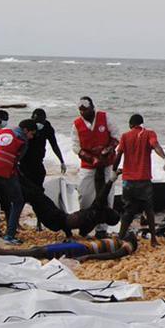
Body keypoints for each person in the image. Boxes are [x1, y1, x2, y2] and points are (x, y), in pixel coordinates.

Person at [0, 119, 37, 244]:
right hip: (1, 168)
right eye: (32, 133)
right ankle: (10, 235)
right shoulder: (23, 140)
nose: (31, 137)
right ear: (25, 130)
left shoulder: (2, 131)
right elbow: (16, 160)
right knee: (18, 201)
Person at [113, 113, 165, 245]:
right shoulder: (149, 134)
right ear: (141, 123)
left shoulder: (125, 136)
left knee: (128, 210)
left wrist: (113, 171)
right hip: (144, 180)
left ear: (131, 125)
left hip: (128, 181)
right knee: (148, 210)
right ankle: (153, 239)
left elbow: (118, 155)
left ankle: (121, 236)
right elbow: (156, 145)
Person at [71, 96, 119, 236]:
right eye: (80, 110)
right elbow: (76, 147)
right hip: (88, 164)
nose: (83, 112)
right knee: (84, 193)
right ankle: (85, 222)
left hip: (107, 162)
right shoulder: (77, 124)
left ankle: (102, 228)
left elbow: (116, 137)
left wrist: (108, 150)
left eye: (85, 109)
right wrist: (91, 158)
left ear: (92, 107)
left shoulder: (105, 118)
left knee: (107, 194)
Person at [0, 231, 138, 260]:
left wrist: (89, 256)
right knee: (38, 250)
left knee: (39, 252)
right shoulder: (118, 240)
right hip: (78, 246)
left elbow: (113, 255)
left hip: (81, 249)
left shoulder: (127, 246)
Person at [19, 108, 66, 190]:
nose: (39, 124)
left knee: (40, 175)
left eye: (41, 122)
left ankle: (37, 194)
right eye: (37, 121)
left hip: (38, 159)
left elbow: (54, 145)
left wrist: (62, 161)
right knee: (26, 181)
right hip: (25, 159)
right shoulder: (27, 126)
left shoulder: (47, 127)